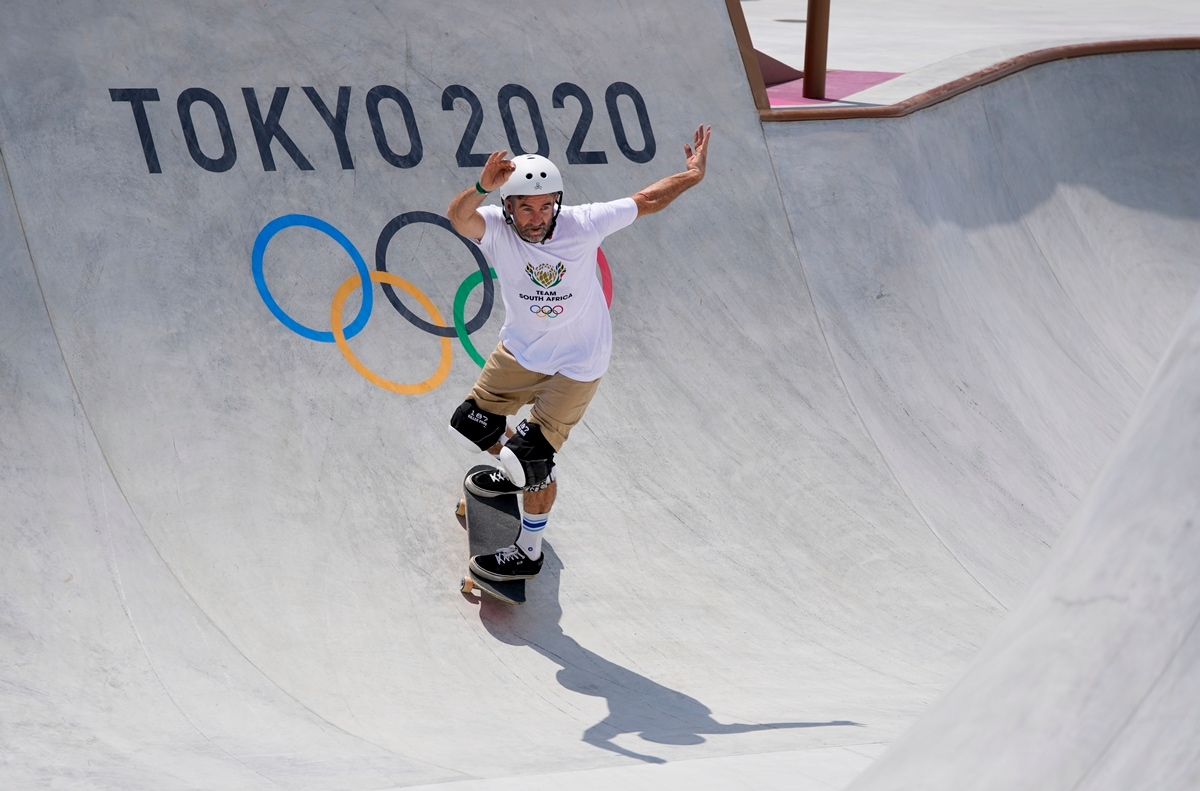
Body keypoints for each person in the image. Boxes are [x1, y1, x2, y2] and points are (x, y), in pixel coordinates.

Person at [446, 124, 712, 583]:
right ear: (507, 207)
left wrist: (692, 175)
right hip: (520, 353)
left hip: (578, 364)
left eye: (545, 206)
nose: (537, 218)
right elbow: (457, 217)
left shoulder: (584, 222)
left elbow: (648, 199)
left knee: (532, 460)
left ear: (557, 203)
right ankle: (520, 469)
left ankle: (528, 548)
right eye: (525, 208)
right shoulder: (494, 228)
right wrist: (479, 187)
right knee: (470, 420)